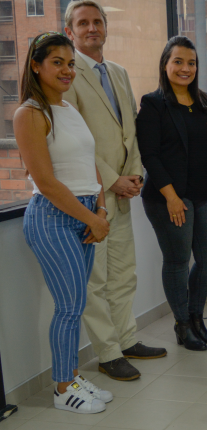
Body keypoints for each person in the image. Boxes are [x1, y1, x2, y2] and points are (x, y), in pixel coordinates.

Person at [62, 0, 167, 381]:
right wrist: (112, 179)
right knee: (96, 280)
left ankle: (126, 339)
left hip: (123, 191)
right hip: (90, 194)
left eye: (97, 22)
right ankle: (107, 352)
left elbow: (131, 131)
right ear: (70, 31)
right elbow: (76, 139)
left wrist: (134, 174)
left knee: (124, 273)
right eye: (83, 23)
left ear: (106, 27)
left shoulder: (119, 72)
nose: (92, 28)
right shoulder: (67, 75)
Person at [16, 31, 113, 414]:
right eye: (57, 62)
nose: (67, 70)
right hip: (54, 219)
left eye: (71, 63)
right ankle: (62, 388)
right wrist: (93, 217)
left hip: (86, 213)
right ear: (36, 65)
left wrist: (101, 212)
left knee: (76, 302)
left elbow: (91, 167)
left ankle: (71, 375)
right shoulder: (29, 113)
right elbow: (47, 183)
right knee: (70, 307)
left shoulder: (68, 110)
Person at [137, 36, 207, 352]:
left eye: (192, 62)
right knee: (177, 261)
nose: (186, 68)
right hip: (169, 197)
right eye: (178, 61)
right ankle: (182, 324)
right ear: (165, 64)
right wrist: (172, 196)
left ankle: (196, 317)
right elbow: (150, 155)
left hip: (205, 194)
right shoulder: (154, 103)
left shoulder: (203, 100)